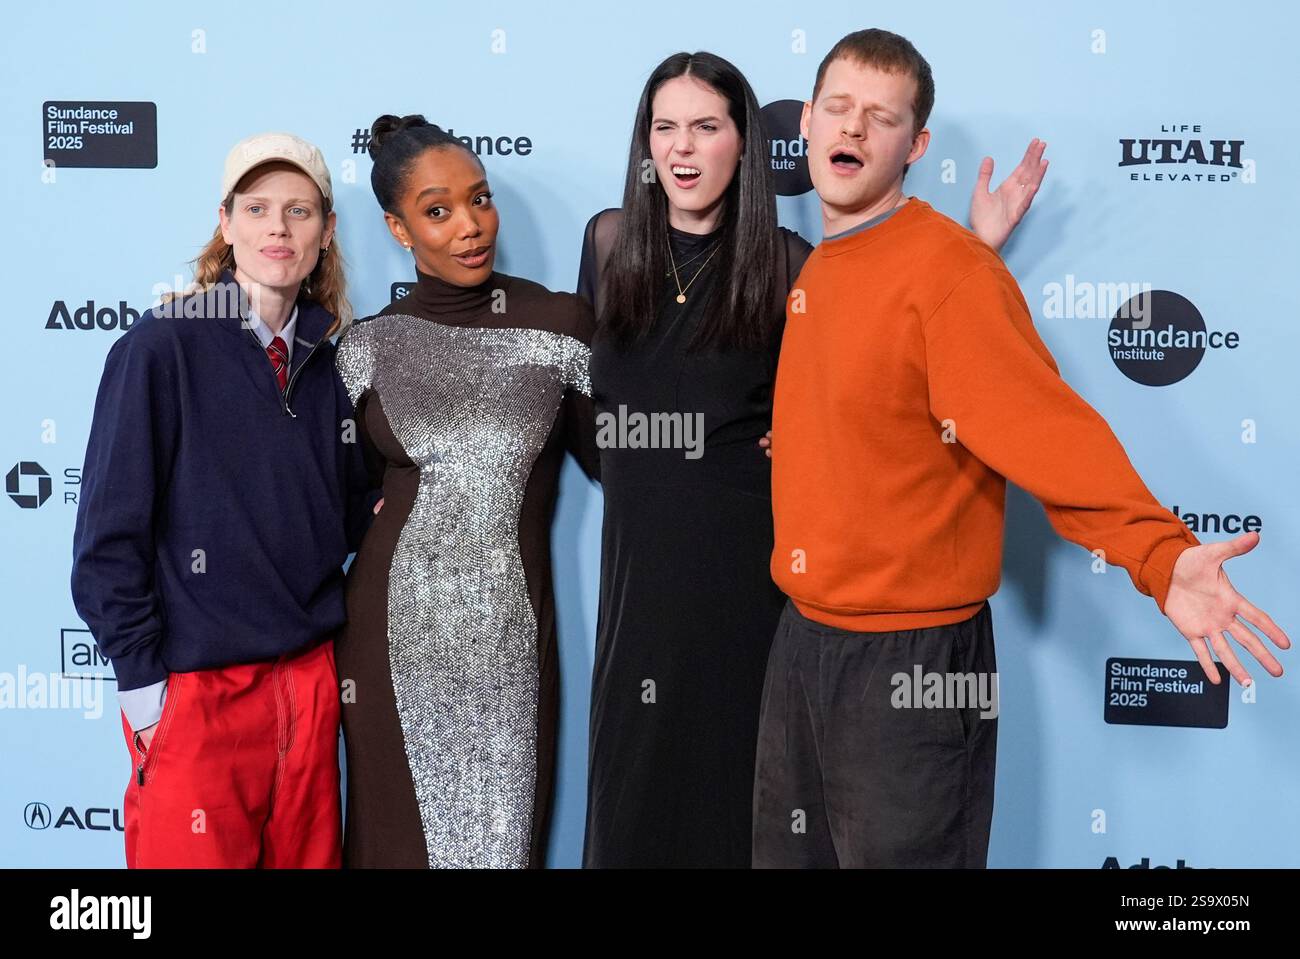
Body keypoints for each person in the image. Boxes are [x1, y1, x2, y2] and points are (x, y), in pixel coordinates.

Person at [756, 28, 1290, 869]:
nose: (852, 130)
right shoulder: (828, 265)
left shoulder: (949, 273)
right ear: (809, 120)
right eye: (837, 108)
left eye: (880, 117)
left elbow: (1049, 434)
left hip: (910, 667)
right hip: (803, 645)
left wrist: (1159, 555)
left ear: (914, 146)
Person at [577, 51, 1047, 867]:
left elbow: (883, 364)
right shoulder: (608, 243)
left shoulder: (792, 263)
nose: (683, 148)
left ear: (745, 143)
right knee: (636, 796)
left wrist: (979, 251)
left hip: (749, 575)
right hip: (638, 575)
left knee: (743, 801)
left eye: (707, 126)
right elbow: (589, 408)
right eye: (665, 127)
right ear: (644, 145)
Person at [71, 132, 376, 868]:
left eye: (299, 210)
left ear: (326, 231)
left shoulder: (337, 358)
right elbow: (108, 540)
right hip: (200, 693)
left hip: (308, 684)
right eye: (259, 207)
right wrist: (146, 686)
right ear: (226, 221)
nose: (278, 227)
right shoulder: (162, 347)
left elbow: (346, 513)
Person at [335, 115, 599, 868]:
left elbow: (627, 466)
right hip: (389, 637)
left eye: (479, 200)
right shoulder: (366, 346)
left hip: (509, 640)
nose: (469, 226)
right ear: (397, 227)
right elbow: (333, 497)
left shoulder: (559, 326)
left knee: (499, 842)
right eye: (438, 210)